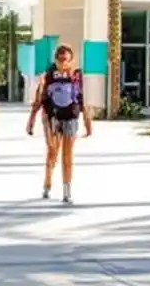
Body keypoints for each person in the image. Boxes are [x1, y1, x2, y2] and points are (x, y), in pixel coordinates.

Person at [27, 44, 91, 204]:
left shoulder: (76, 77)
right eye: (60, 60)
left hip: (70, 117)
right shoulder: (48, 76)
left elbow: (82, 100)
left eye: (66, 60)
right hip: (52, 117)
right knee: (52, 151)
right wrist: (31, 120)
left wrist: (88, 122)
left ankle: (67, 189)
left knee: (68, 155)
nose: (63, 63)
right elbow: (38, 100)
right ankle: (47, 181)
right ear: (55, 60)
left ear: (71, 61)